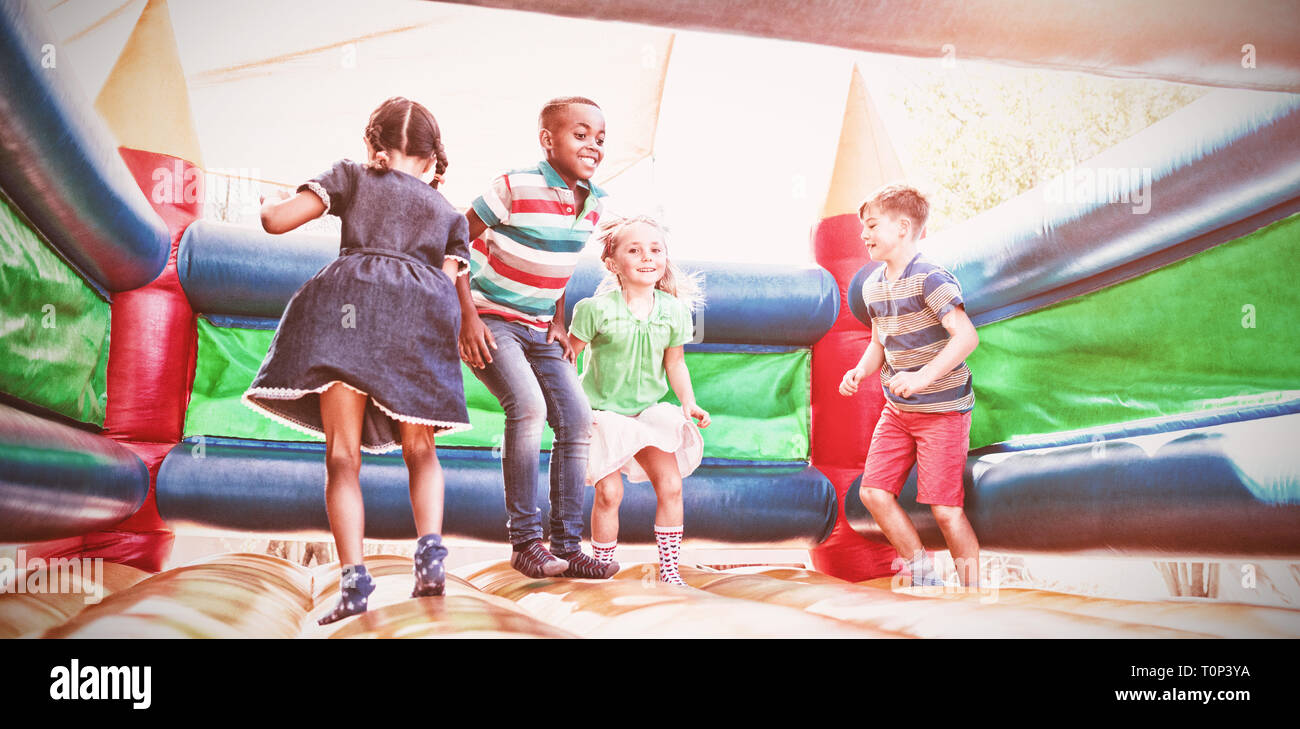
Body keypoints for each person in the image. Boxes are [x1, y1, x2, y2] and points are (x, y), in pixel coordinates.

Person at [246, 97, 472, 623]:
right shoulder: (449, 214)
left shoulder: (352, 175)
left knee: (343, 457)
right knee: (420, 448)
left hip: (347, 310)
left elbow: (277, 222)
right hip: (419, 315)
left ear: (373, 146)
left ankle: (354, 581)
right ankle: (431, 550)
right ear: (432, 156)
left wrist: (266, 200)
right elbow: (450, 276)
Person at [456, 96, 615, 579]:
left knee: (577, 417)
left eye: (601, 138)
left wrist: (559, 323)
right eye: (580, 134)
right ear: (548, 140)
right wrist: (467, 318)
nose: (593, 145)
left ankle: (566, 546)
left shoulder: (595, 203)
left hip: (539, 328)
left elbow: (557, 269)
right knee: (528, 408)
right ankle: (526, 542)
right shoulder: (513, 185)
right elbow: (454, 242)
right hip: (490, 318)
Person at [839, 184, 981, 588]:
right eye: (862, 227)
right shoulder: (872, 285)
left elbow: (966, 337)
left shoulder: (930, 278)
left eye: (871, 226)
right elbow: (878, 344)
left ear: (903, 227)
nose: (863, 235)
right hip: (898, 412)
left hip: (943, 411)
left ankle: (974, 592)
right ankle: (922, 571)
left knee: (946, 511)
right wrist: (860, 372)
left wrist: (921, 377)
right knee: (873, 494)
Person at [568, 216, 708, 586]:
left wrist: (688, 403)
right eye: (635, 250)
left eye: (655, 249)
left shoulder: (674, 310)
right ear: (613, 263)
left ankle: (670, 571)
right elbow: (568, 359)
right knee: (610, 492)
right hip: (603, 413)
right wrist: (567, 407)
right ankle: (602, 567)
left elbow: (675, 363)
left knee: (672, 485)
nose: (647, 257)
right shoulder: (594, 309)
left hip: (647, 413)